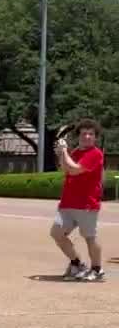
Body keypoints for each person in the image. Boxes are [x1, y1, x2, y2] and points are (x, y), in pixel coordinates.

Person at [51, 118, 106, 281]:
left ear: (95, 137)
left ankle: (96, 269)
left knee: (90, 237)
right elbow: (65, 169)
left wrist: (65, 151)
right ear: (79, 136)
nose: (87, 137)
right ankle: (77, 263)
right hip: (68, 202)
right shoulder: (76, 152)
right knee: (57, 233)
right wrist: (62, 153)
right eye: (84, 134)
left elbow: (75, 170)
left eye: (91, 134)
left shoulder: (95, 154)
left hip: (87, 203)